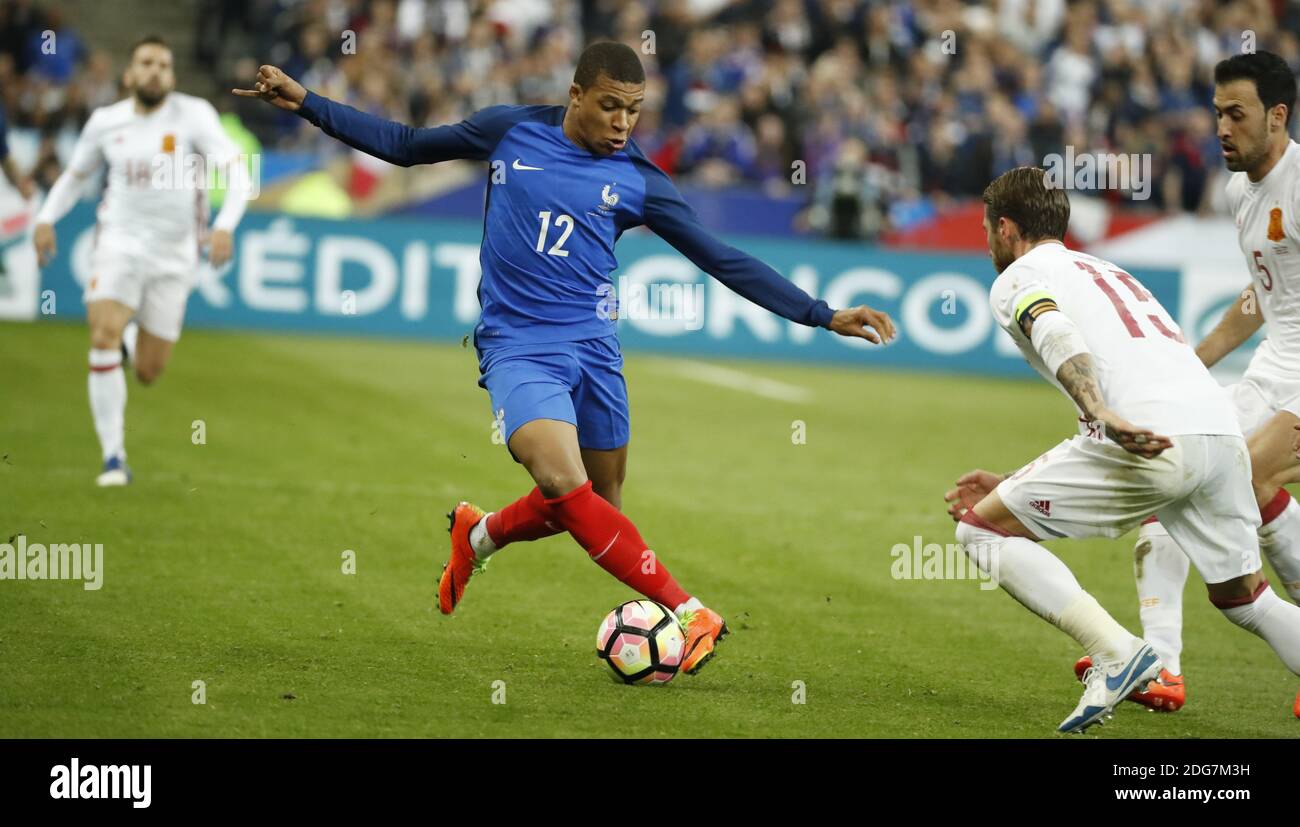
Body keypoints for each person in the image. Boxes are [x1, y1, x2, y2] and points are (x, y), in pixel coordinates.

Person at [234, 40, 895, 674]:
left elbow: (719, 256)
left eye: (635, 110)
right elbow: (407, 147)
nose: (623, 123)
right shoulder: (510, 132)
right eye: (610, 105)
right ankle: (687, 611)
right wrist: (309, 102)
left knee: (598, 502)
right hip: (519, 346)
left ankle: (480, 536)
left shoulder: (637, 178)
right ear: (576, 94)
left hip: (595, 351)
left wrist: (820, 312)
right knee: (563, 485)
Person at [945, 165, 1300, 732]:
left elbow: (1050, 328)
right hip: (1219, 433)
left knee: (979, 531)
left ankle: (1115, 651)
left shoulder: (1019, 276)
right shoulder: (1108, 270)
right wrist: (1018, 479)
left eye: (990, 230)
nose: (990, 243)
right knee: (1245, 598)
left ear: (1005, 228)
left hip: (1151, 439)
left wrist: (1100, 410)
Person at [34, 36, 250, 486]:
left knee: (150, 371)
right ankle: (114, 458)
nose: (155, 71)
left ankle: (129, 345)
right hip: (119, 242)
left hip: (176, 255)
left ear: (172, 75)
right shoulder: (106, 122)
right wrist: (46, 217)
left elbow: (236, 171)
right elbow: (75, 177)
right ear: (130, 73)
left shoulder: (194, 116)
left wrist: (226, 224)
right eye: (147, 63)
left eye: (164, 65)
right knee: (102, 333)